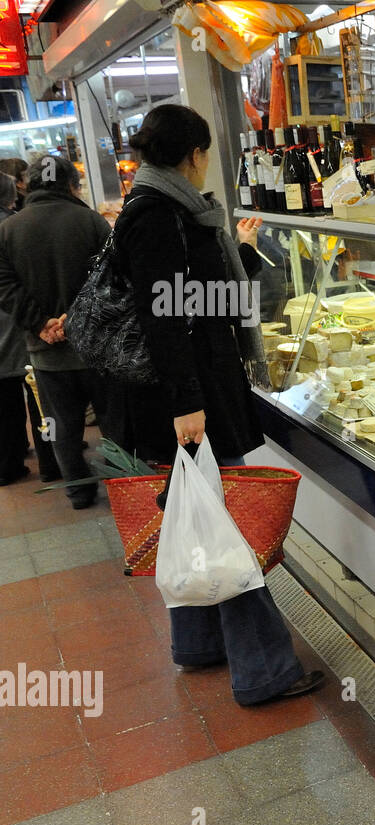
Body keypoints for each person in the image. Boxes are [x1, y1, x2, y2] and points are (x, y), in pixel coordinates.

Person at [107, 103, 323, 704]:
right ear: (193, 154)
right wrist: (187, 403)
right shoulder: (158, 215)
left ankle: (198, 645)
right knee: (224, 526)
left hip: (186, 393)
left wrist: (244, 257)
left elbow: (207, 297)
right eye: (206, 154)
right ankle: (264, 673)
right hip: (182, 399)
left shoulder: (168, 209)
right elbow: (165, 319)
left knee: (194, 513)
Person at [0, 157, 110, 508]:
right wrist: (75, 319)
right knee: (112, 422)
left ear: (28, 186)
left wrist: (40, 323)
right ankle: (123, 485)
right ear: (71, 185)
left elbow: (4, 286)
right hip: (98, 347)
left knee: (59, 426)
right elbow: (112, 279)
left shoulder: (8, 230)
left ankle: (78, 491)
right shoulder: (92, 221)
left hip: (45, 352)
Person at [0, 172, 29, 484]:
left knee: (4, 401)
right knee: (35, 395)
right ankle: (51, 454)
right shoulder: (12, 226)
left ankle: (9, 460)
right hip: (15, 322)